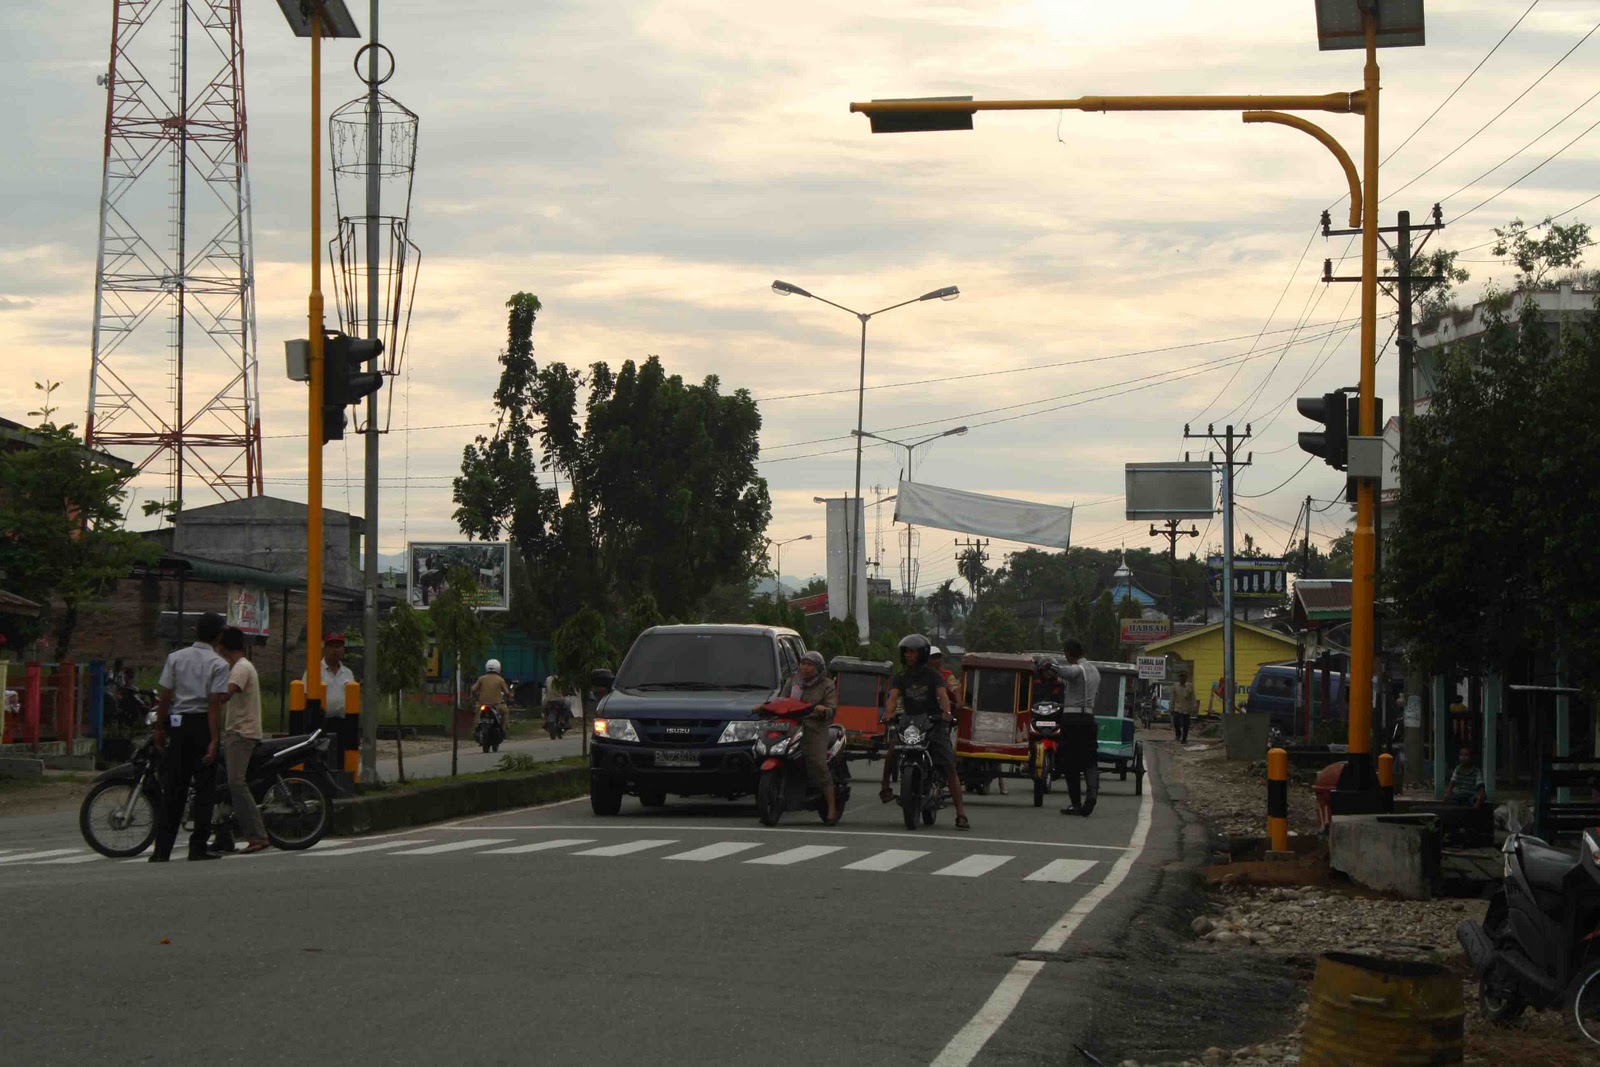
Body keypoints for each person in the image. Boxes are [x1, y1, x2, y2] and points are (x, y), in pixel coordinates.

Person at [150, 612, 230, 862]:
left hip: (179, 725)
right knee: (205, 790)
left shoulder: (175, 657)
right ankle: (198, 847)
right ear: (219, 636)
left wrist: (160, 728)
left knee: (174, 788)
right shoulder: (219, 664)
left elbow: (165, 696)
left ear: (196, 631)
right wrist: (214, 739)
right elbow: (214, 703)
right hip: (203, 725)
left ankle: (162, 850)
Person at [882, 634, 969, 830]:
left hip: (933, 723)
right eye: (906, 652)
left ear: (922, 654)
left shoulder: (934, 676)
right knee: (892, 750)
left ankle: (961, 814)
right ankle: (885, 787)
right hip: (910, 723)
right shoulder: (900, 677)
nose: (908, 655)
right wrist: (888, 714)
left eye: (912, 652)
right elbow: (893, 698)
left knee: (948, 765)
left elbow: (942, 696)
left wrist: (947, 713)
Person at [218, 627, 270, 854]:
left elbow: (226, 694)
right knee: (224, 784)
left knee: (236, 783)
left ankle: (258, 835)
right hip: (237, 733)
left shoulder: (240, 668)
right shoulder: (242, 666)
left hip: (241, 734)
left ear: (224, 646)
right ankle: (223, 834)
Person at [781, 650, 840, 824]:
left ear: (819, 668)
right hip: (791, 727)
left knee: (819, 764)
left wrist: (824, 710)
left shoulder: (827, 684)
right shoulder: (793, 681)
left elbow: (832, 708)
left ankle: (832, 808)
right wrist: (763, 707)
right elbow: (781, 701)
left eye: (810, 665)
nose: (805, 668)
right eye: (803, 663)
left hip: (814, 728)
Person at [1057, 638, 1102, 817]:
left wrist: (1048, 665)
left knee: (1071, 764)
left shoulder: (1078, 669)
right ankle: (1092, 794)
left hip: (1072, 719)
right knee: (1090, 760)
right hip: (1089, 718)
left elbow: (1065, 672)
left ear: (1069, 653)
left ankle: (1076, 804)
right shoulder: (1095, 671)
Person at [303, 632, 355, 770]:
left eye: (338, 646)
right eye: (331, 646)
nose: (335, 650)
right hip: (322, 724)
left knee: (341, 760)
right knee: (322, 760)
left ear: (343, 649)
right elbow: (305, 695)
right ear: (325, 648)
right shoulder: (314, 671)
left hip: (342, 723)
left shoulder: (347, 673)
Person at [471, 658, 514, 734]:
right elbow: (506, 692)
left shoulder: (481, 678)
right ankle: (502, 731)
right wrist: (510, 696)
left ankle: (475, 730)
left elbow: (473, 689)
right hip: (496, 705)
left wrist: (476, 698)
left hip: (482, 704)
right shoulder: (500, 680)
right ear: (498, 668)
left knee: (477, 714)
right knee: (505, 712)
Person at [1170, 670, 1198, 744]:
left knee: (1186, 725)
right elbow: (1172, 698)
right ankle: (1178, 735)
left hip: (1186, 708)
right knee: (1176, 723)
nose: (1182, 678)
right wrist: (1171, 708)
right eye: (1181, 676)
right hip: (1177, 708)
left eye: (1184, 677)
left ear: (1186, 678)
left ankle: (1184, 739)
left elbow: (1193, 697)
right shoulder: (1175, 686)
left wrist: (1194, 706)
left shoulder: (1189, 686)